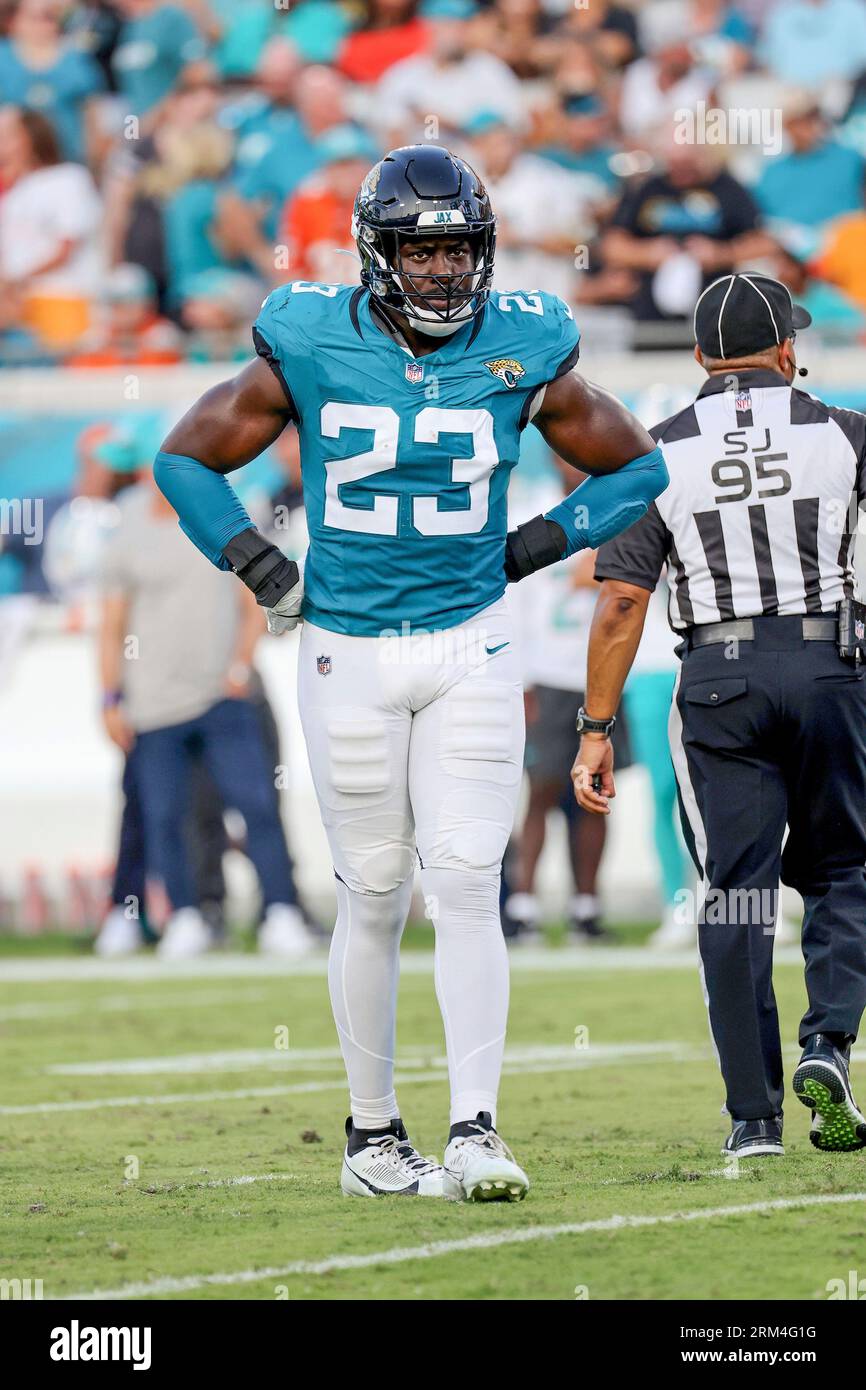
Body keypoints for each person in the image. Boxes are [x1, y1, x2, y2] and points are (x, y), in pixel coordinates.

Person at [153, 144, 667, 1200]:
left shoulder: (523, 343)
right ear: (375, 251)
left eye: (454, 249)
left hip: (468, 643)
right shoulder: (305, 338)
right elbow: (183, 456)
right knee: (375, 892)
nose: (438, 271)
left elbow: (637, 465)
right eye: (418, 250)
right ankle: (372, 1138)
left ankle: (476, 1129)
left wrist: (537, 541)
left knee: (469, 878)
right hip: (345, 647)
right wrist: (255, 561)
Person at [574, 271, 866, 1160]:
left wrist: (595, 728)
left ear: (701, 356)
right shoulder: (847, 433)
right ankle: (829, 1044)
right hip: (830, 667)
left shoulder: (654, 451)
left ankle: (753, 1118)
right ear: (788, 351)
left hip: (716, 677)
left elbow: (623, 601)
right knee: (845, 870)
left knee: (735, 895)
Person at [100, 468, 313, 960]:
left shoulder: (220, 521)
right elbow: (111, 624)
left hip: (221, 696)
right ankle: (185, 915)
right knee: (165, 816)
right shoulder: (127, 531)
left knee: (257, 806)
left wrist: (239, 667)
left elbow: (251, 600)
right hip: (153, 703)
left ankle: (280, 911)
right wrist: (111, 697)